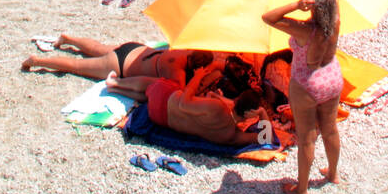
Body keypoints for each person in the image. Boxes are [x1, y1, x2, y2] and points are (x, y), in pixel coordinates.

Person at [263, 0, 343, 194]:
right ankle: (332, 174)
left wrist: (296, 5)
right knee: (330, 129)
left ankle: (302, 188)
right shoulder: (336, 22)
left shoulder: (304, 30)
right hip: (332, 77)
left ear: (315, 6)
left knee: (307, 137)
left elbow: (268, 17)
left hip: (307, 82)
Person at [111, 62, 283, 147]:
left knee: (158, 85)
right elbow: (267, 138)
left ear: (237, 100)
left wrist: (198, 76)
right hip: (160, 118)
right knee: (148, 97)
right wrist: (262, 114)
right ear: (250, 115)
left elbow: (184, 104)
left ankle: (116, 84)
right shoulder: (231, 135)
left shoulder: (217, 109)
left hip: (164, 100)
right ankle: (116, 88)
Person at [21, 38, 209, 82]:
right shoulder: (177, 74)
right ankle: (37, 61)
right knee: (76, 66)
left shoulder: (183, 48)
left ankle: (68, 39)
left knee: (98, 48)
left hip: (137, 48)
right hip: (120, 66)